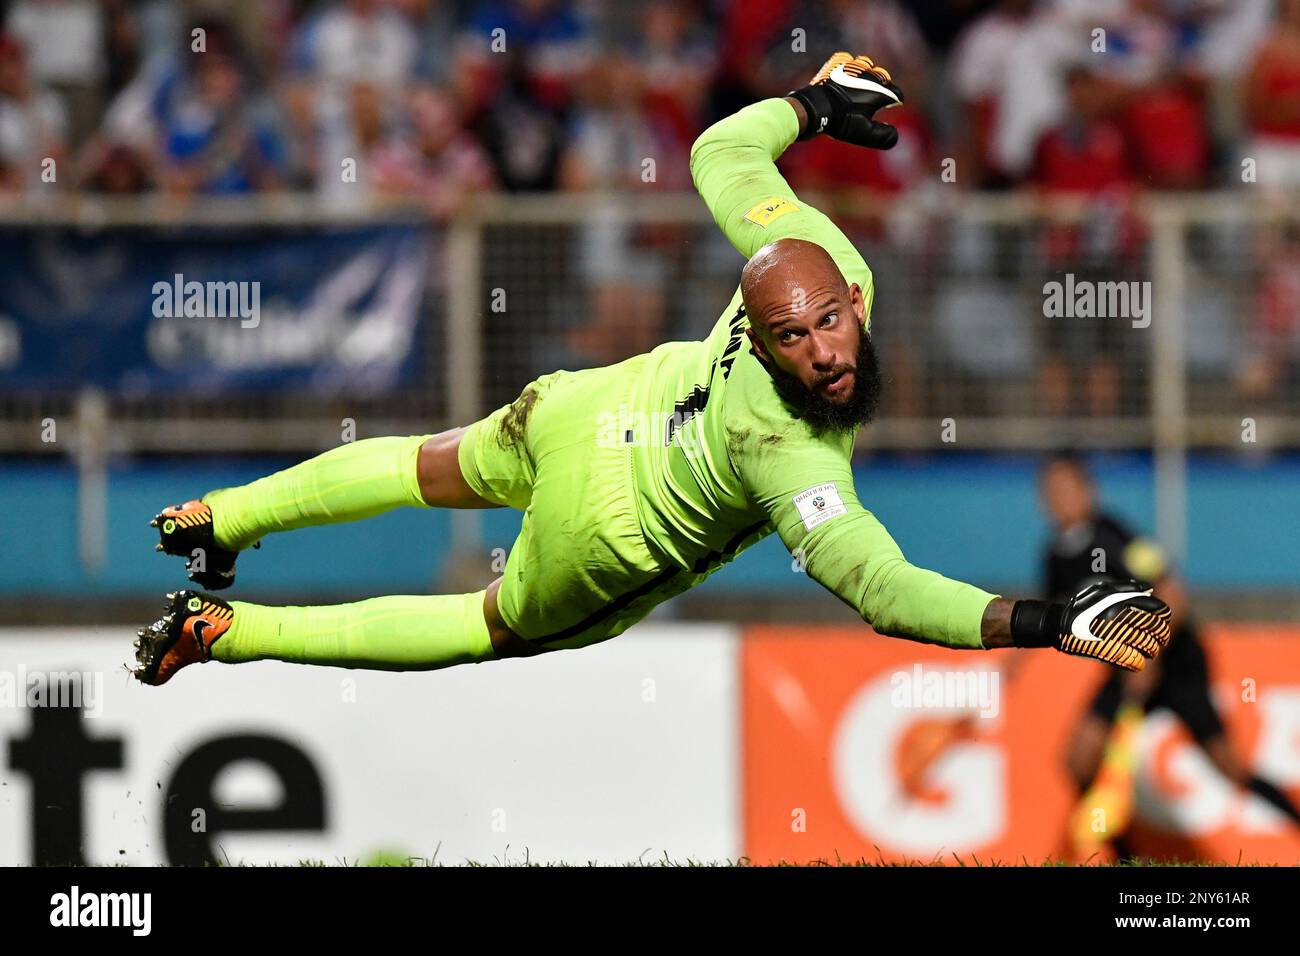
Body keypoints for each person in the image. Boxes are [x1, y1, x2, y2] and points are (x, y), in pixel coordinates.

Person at [131, 53, 1171, 688]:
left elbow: (721, 152)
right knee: (481, 628)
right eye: (792, 341)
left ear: (851, 296)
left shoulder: (807, 246)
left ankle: (219, 518)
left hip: (589, 401)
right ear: (761, 344)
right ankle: (227, 627)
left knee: (424, 464)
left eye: (825, 326)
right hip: (607, 530)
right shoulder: (785, 448)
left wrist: (807, 107)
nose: (822, 355)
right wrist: (1044, 623)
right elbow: (885, 590)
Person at [1041, 451, 1300, 859]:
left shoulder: (1117, 537)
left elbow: (1173, 593)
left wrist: (1151, 652)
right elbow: (1047, 614)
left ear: (1088, 490)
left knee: (1228, 766)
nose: (1058, 499)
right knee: (1079, 759)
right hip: (1128, 669)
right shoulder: (1055, 556)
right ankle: (1125, 859)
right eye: (1050, 491)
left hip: (1175, 663)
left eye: (1066, 488)